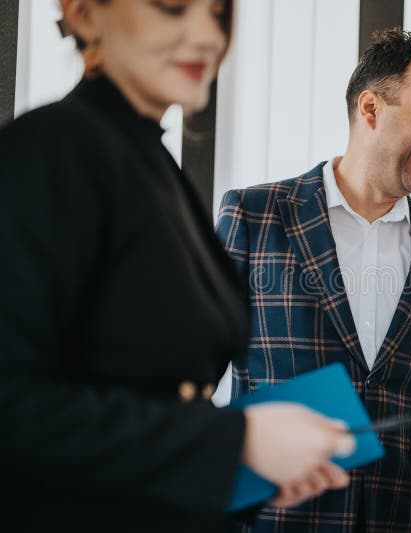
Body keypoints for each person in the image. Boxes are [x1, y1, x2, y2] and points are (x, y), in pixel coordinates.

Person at [0, 1, 354, 531]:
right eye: (172, 6)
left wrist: (246, 466)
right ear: (84, 15)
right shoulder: (53, 147)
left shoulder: (153, 164)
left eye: (217, 13)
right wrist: (236, 442)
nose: (207, 36)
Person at [216, 29, 411, 532]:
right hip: (274, 518)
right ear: (370, 109)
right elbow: (191, 374)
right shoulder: (254, 216)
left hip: (393, 519)